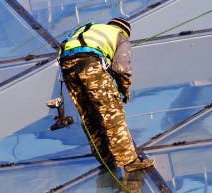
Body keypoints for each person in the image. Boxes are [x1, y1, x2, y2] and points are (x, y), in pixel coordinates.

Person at [58, 17, 154, 173]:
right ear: (125, 32)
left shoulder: (91, 28)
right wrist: (124, 89)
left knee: (89, 114)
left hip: (67, 66)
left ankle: (105, 157)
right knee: (111, 112)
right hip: (89, 63)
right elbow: (121, 68)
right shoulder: (120, 38)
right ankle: (130, 161)